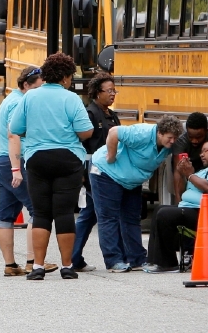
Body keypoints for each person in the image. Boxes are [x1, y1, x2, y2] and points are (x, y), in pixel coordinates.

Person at [8, 53, 93, 280]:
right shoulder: (71, 98)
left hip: (37, 159)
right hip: (68, 159)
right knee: (64, 212)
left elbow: (16, 127)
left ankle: (37, 266)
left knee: (42, 213)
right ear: (65, 77)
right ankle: (67, 266)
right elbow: (85, 131)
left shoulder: (30, 97)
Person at [88, 116, 184, 272]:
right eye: (170, 137)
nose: (173, 141)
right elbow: (113, 132)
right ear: (159, 132)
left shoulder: (168, 145)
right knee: (109, 217)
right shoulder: (142, 133)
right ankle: (114, 260)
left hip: (131, 180)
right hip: (107, 172)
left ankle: (137, 259)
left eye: (175, 138)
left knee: (132, 218)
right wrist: (111, 156)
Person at [144, 139, 208, 273]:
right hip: (192, 209)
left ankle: (168, 263)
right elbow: (182, 191)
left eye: (206, 151)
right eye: (201, 151)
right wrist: (181, 175)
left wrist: (189, 174)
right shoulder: (204, 171)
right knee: (160, 209)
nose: (202, 155)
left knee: (165, 215)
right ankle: (154, 260)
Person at [0, 65, 47, 276]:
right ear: (26, 85)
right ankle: (33, 260)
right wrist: (17, 169)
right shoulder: (18, 103)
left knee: (5, 215)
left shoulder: (10, 99)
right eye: (39, 87)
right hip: (14, 161)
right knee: (37, 209)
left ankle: (10, 265)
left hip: (2, 161)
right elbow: (13, 135)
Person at [71, 73, 122, 272]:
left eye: (114, 90)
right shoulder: (90, 114)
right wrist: (82, 173)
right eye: (109, 91)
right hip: (94, 170)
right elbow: (81, 143)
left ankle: (74, 257)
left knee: (88, 214)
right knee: (105, 215)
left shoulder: (111, 114)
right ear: (96, 93)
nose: (112, 94)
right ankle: (114, 258)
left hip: (110, 171)